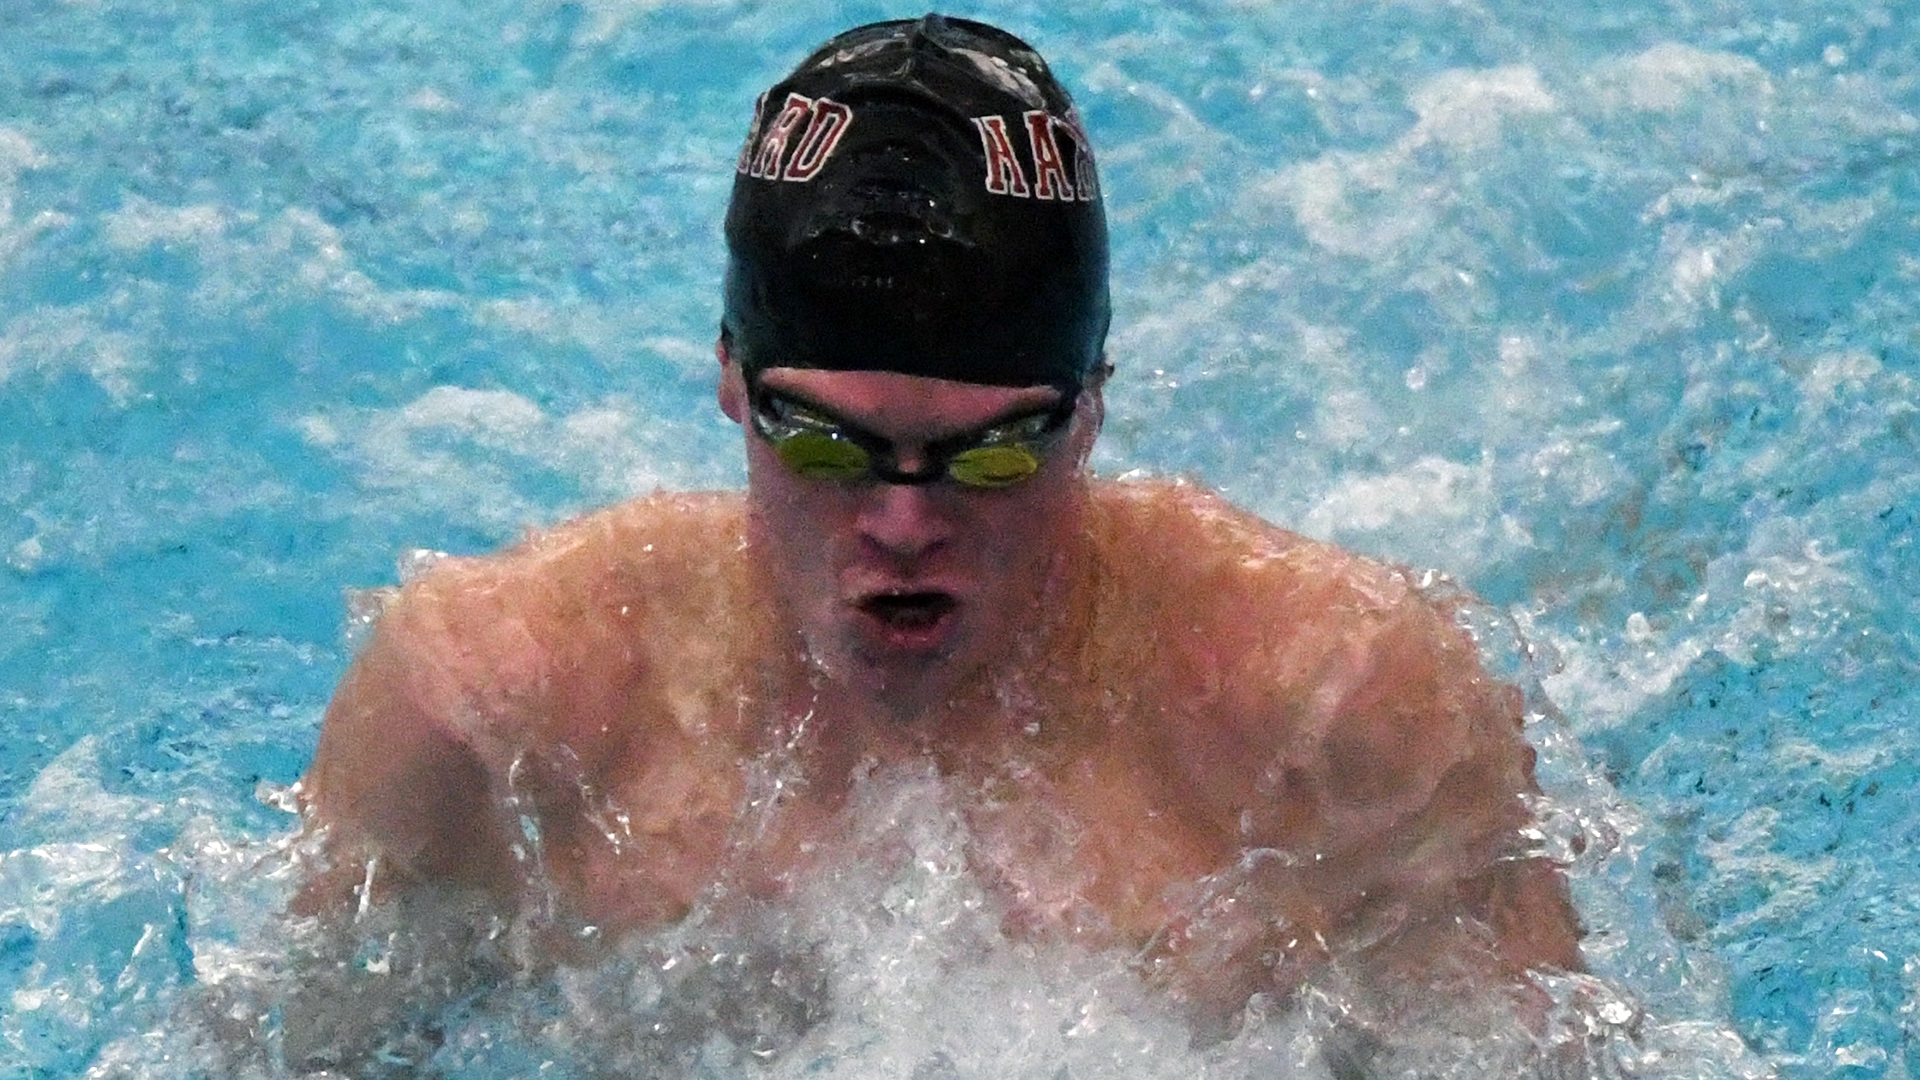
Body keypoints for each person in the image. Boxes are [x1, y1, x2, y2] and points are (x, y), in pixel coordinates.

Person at [296, 13, 1581, 1040]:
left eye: (993, 452)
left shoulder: (1327, 714)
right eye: (822, 444)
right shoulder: (493, 712)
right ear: (730, 379)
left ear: (1091, 415)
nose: (904, 521)